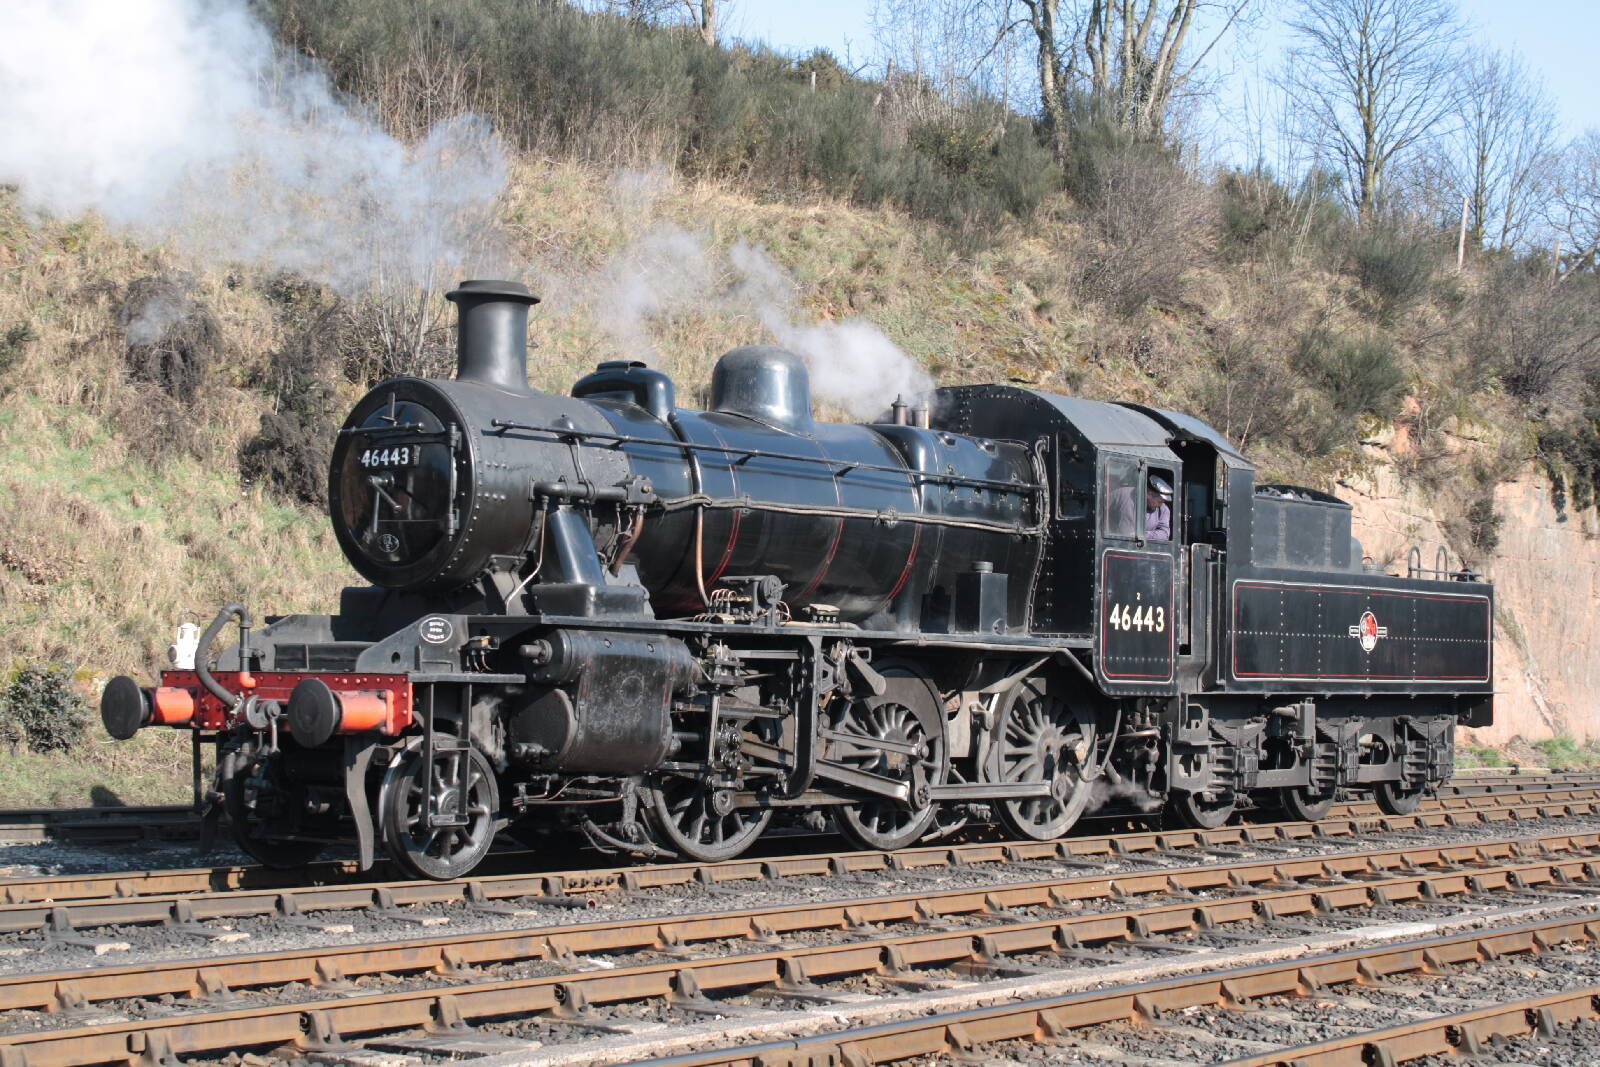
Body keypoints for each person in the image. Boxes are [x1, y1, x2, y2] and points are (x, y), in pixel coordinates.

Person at [1146, 476, 1173, 541]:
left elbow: (1164, 534)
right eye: (1159, 501)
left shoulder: (1163, 509)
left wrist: (1143, 535)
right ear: (1149, 494)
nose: (1160, 505)